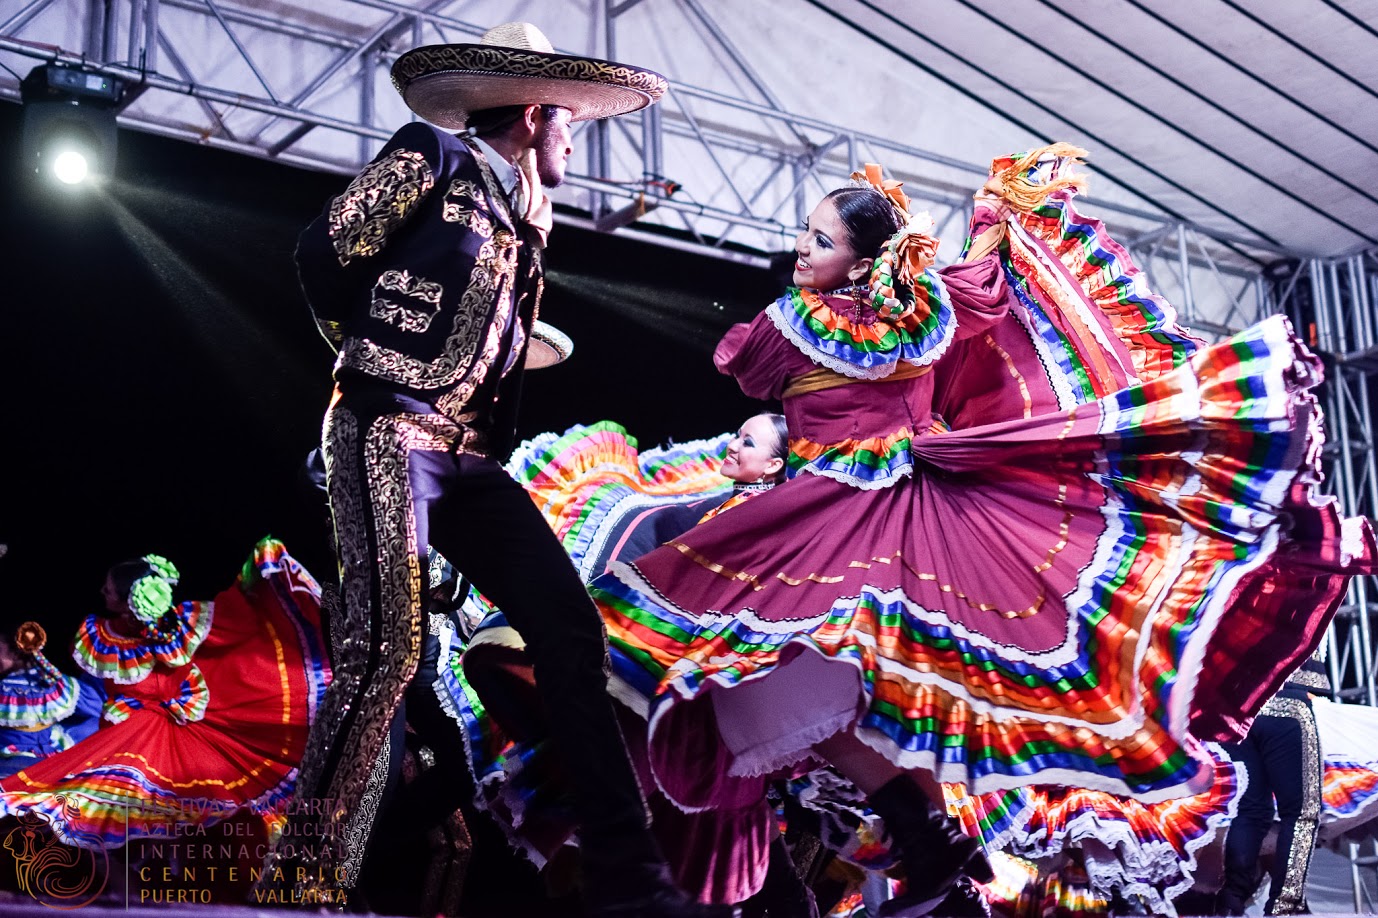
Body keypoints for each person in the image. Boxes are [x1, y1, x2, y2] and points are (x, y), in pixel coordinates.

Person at [586, 150, 1374, 917]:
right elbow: (987, 293)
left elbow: (752, 372)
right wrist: (997, 227)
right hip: (916, 515)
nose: (802, 247)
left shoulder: (790, 326)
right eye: (806, 231)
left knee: (744, 672)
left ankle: (921, 844)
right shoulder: (932, 305)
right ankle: (931, 846)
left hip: (838, 518)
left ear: (863, 264)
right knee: (853, 692)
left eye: (821, 240)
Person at [269, 19, 733, 916]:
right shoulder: (432, 158)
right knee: (385, 657)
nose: (574, 142)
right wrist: (371, 355)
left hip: (464, 458)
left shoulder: (526, 216)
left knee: (568, 629)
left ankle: (626, 876)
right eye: (570, 125)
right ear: (532, 114)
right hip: (384, 429)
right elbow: (323, 253)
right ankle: (306, 878)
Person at [0, 540, 329, 847]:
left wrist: (263, 575)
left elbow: (230, 633)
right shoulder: (107, 635)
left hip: (156, 730)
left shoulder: (169, 629)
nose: (102, 591)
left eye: (110, 590)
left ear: (129, 602)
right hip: (137, 729)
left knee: (134, 803)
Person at [0, 622, 101, 779]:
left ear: (15, 654)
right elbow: (95, 704)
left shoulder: (7, 689)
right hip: (39, 752)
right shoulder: (52, 681)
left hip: (20, 755)